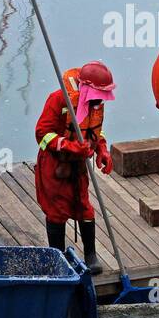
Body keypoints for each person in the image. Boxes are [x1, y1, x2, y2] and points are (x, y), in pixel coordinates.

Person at [34, 61, 115, 274]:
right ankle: (57, 258)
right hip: (55, 165)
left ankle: (91, 255)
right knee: (57, 211)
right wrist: (69, 146)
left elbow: (95, 131)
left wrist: (102, 150)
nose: (101, 100)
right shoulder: (58, 99)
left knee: (85, 207)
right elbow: (42, 134)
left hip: (78, 166)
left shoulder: (96, 103)